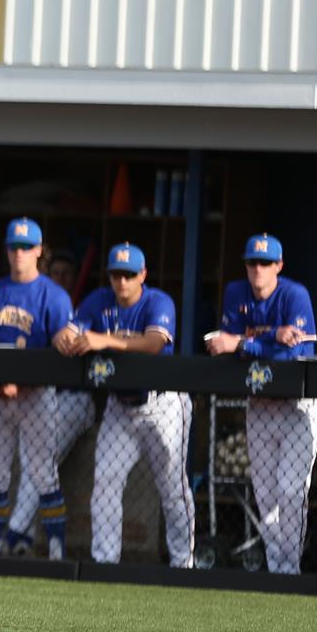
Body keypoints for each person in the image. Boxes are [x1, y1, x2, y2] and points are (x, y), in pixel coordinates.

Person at [57, 243, 193, 567]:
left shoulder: (158, 301)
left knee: (172, 487)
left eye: (129, 275)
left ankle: (184, 564)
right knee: (105, 482)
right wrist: (63, 337)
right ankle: (104, 563)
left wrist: (105, 340)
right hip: (120, 407)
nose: (122, 282)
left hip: (163, 405)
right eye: (117, 275)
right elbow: (70, 331)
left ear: (142, 275)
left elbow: (155, 342)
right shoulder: (98, 301)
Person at [207, 233, 317, 573]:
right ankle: (278, 569)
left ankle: (292, 568)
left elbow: (296, 353)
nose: (258, 269)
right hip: (258, 403)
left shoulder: (294, 295)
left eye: (266, 263)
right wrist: (266, 340)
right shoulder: (235, 293)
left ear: (279, 266)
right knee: (266, 495)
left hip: (298, 405)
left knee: (290, 490)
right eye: (253, 263)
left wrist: (246, 343)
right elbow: (222, 348)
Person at [0, 217, 74, 558]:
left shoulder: (52, 295)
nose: (19, 254)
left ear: (39, 251)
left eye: (26, 247)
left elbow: (62, 353)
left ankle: (57, 550)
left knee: (43, 474)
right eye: (14, 247)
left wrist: (23, 381)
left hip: (36, 398)